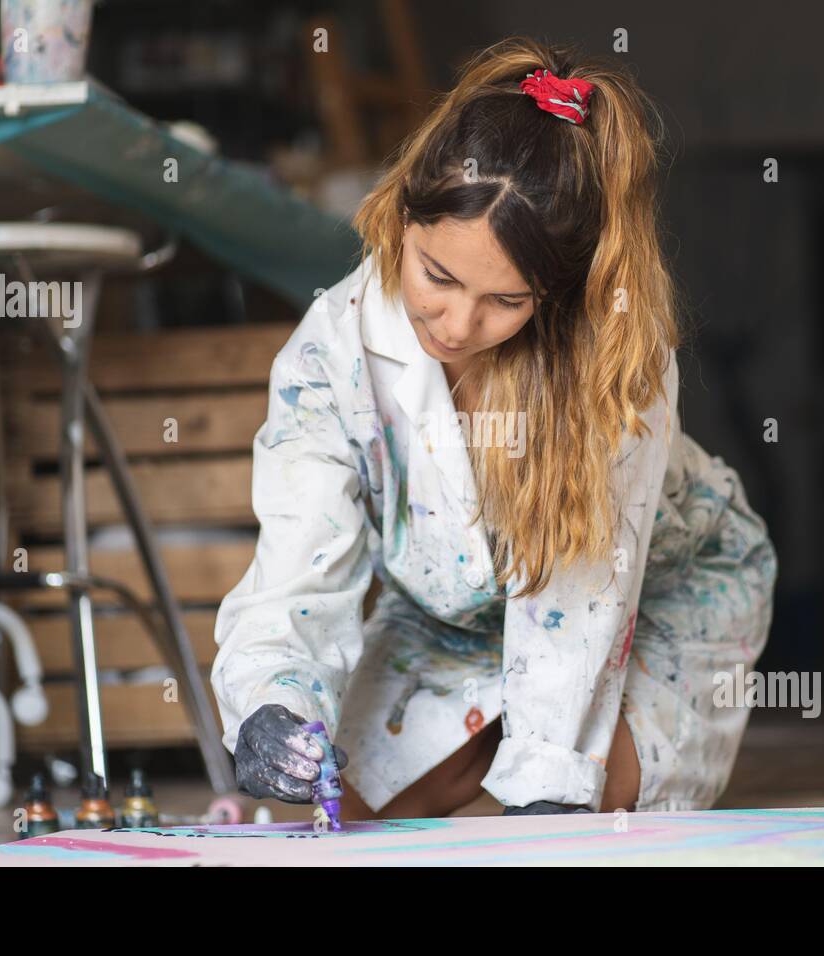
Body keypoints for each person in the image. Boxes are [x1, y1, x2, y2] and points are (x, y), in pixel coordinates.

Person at [212, 37, 778, 818]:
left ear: (556, 291)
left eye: (505, 302)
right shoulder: (332, 349)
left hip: (650, 599)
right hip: (454, 618)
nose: (456, 323)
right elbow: (299, 566)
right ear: (402, 212)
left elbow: (583, 605)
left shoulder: (616, 358)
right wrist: (269, 702)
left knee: (578, 810)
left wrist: (548, 788)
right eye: (435, 276)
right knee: (331, 800)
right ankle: (486, 744)